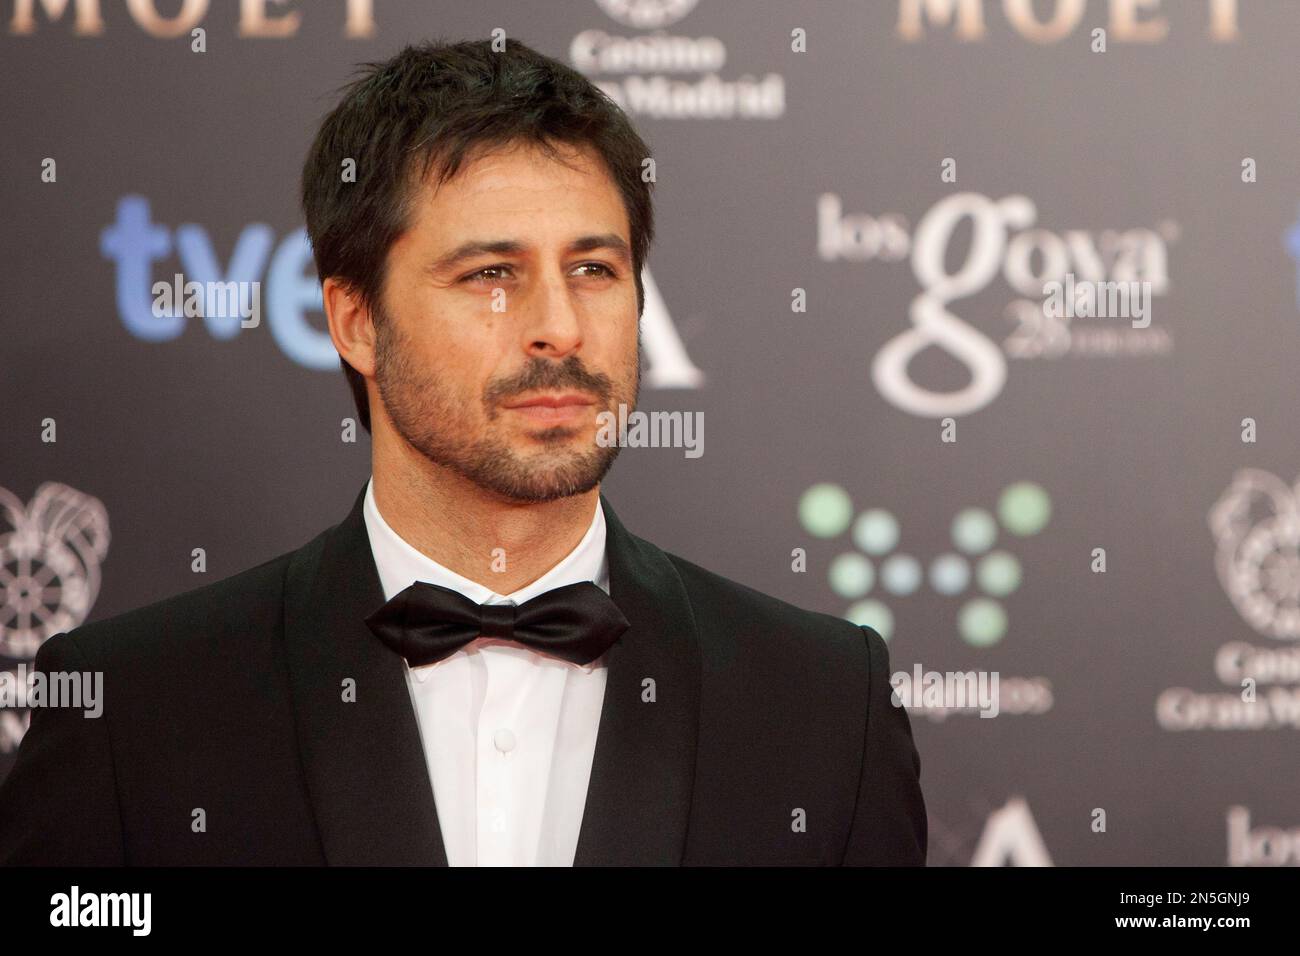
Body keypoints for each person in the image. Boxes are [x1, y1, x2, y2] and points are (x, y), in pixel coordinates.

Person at [0, 37, 925, 866]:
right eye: (492, 276)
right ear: (355, 321)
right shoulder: (131, 710)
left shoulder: (824, 708)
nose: (559, 328)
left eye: (594, 270)